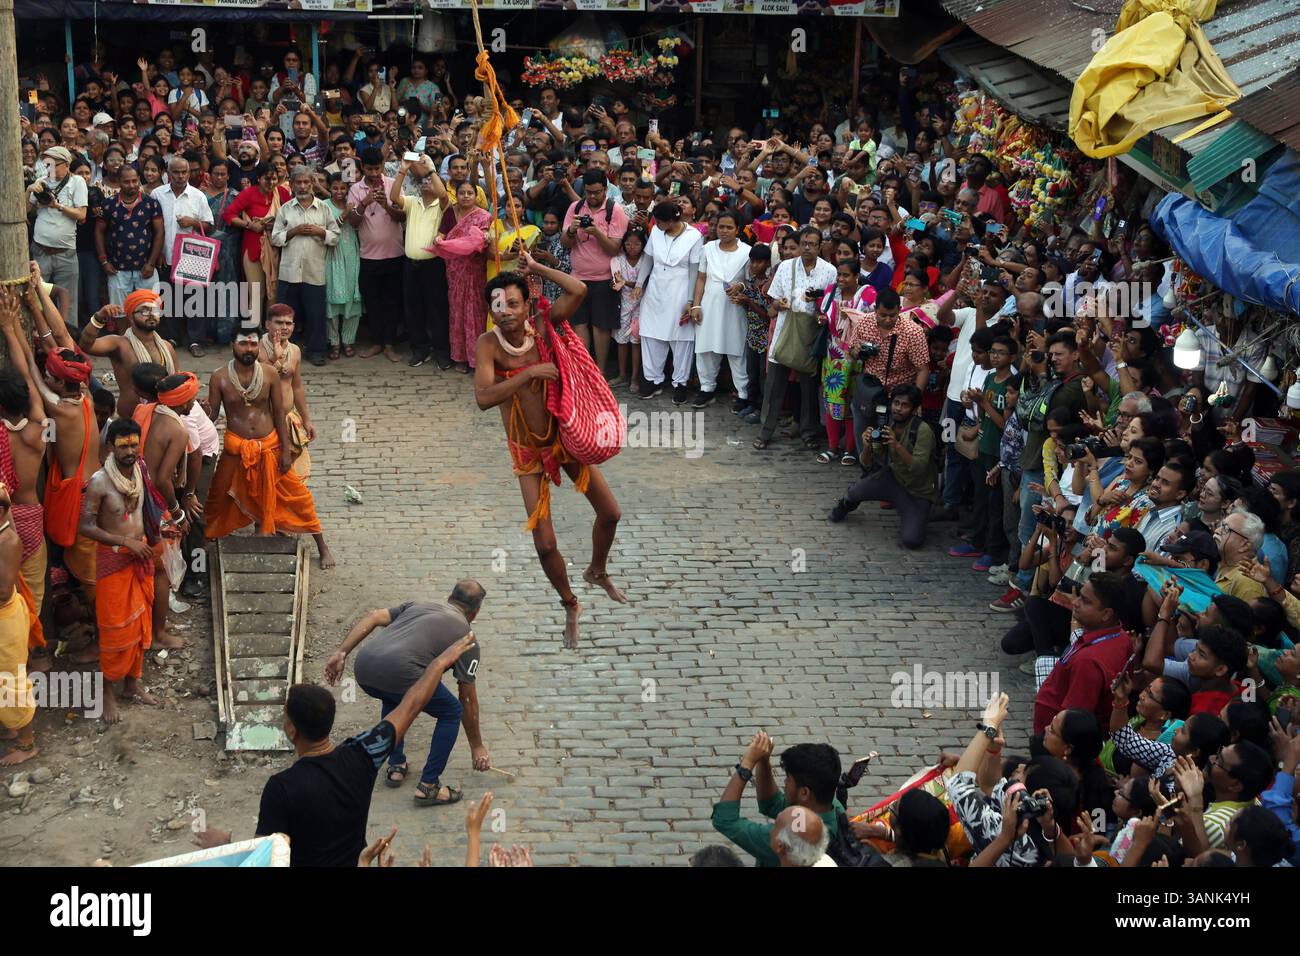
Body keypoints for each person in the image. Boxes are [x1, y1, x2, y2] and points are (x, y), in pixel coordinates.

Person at [198, 631, 476, 866]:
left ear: (291, 730)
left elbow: (267, 859)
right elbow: (411, 705)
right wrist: (438, 663)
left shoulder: (281, 788)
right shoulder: (363, 754)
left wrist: (226, 849)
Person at [474, 251, 626, 649]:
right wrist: (529, 373)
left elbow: (578, 290)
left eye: (512, 303)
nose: (504, 311)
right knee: (544, 543)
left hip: (564, 441)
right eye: (497, 305)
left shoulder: (544, 324)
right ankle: (570, 602)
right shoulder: (488, 344)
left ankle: (596, 570)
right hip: (526, 452)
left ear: (527, 304)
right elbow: (484, 398)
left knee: (610, 514)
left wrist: (537, 268)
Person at [324, 582, 491, 807]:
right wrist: (477, 746)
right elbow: (467, 698)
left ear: (449, 596)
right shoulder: (467, 638)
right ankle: (429, 785)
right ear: (476, 611)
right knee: (451, 711)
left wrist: (341, 652)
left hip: (364, 668)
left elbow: (373, 616)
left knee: (394, 695)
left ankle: (396, 765)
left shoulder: (419, 605)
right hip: (401, 673)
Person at [202, 331, 334, 569]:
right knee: (217, 497)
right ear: (233, 345)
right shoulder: (219, 377)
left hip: (269, 446)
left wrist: (285, 451)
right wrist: (201, 410)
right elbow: (212, 415)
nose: (249, 349)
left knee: (298, 497)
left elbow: (278, 413)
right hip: (236, 449)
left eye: (253, 344)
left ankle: (322, 548)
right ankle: (202, 546)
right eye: (243, 343)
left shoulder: (270, 374)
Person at [77, 419, 157, 724]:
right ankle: (108, 692)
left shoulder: (140, 469)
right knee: (113, 629)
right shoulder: (99, 482)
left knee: (138, 627)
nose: (130, 451)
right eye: (123, 446)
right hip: (113, 561)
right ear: (111, 446)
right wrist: (125, 542)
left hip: (140, 555)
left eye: (134, 444)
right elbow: (85, 526)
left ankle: (132, 686)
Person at [710, 731, 844, 868]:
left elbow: (724, 820)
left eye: (788, 779)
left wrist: (747, 764)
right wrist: (763, 760)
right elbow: (771, 804)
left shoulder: (788, 839)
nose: (784, 783)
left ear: (804, 793)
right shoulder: (832, 806)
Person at [755, 225, 837, 449]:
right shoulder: (785, 267)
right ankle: (765, 432)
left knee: (808, 388)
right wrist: (778, 304)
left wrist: (820, 310)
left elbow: (832, 303)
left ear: (820, 246)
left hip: (810, 333)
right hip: (785, 329)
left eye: (812, 244)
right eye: (804, 243)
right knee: (774, 387)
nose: (807, 248)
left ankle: (808, 432)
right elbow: (773, 301)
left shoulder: (829, 271)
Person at [828, 384, 937, 549]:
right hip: (894, 479)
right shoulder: (887, 426)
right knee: (857, 490)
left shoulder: (923, 430)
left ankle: (912, 512)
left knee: (912, 541)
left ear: (914, 409)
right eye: (896, 403)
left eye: (905, 405)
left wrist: (897, 445)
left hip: (918, 491)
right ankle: (846, 503)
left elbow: (919, 467)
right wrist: (866, 446)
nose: (898, 409)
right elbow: (868, 463)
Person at [1032, 571, 1136, 735]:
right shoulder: (1121, 636)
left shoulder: (1088, 661)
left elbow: (1072, 721)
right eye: (1080, 596)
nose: (1075, 603)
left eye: (1085, 601)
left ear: (1107, 614)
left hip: (1055, 737)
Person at [0, 291, 51, 620]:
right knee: (31, 591)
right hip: (31, 516)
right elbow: (30, 379)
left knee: (4, 590)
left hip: (3, 523)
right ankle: (35, 654)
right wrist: (11, 327)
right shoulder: (40, 431)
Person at [561, 168, 629, 379]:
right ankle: (584, 370)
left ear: (605, 189)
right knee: (579, 325)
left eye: (597, 192)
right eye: (588, 192)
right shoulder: (575, 207)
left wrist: (597, 232)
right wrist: (572, 230)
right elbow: (565, 243)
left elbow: (614, 249)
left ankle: (599, 371)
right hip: (578, 278)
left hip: (604, 278)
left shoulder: (615, 211)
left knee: (601, 327)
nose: (592, 196)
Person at [638, 200, 704, 405]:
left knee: (680, 338)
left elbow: (694, 269)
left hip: (680, 288)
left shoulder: (694, 236)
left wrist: (691, 300)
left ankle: (680, 383)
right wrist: (640, 283)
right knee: (651, 334)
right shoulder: (657, 232)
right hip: (656, 288)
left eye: (659, 221)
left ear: (671, 220)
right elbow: (648, 258)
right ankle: (653, 379)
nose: (655, 224)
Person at [271, 166, 338, 367]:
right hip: (289, 272)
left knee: (315, 314)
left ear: (312, 185)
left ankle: (316, 351)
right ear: (291, 185)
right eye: (298, 182)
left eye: (306, 182)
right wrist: (294, 231)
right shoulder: (285, 209)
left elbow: (335, 237)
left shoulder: (324, 208)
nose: (302, 186)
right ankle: (281, 351)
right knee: (284, 315)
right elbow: (275, 238)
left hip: (314, 271)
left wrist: (319, 232)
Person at [390, 155, 450, 369]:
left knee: (437, 310)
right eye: (423, 180)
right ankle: (420, 350)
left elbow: (443, 194)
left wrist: (431, 170)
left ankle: (442, 352)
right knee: (413, 309)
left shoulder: (442, 205)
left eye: (430, 181)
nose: (426, 183)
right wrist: (403, 169)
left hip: (433, 265)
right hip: (410, 264)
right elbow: (394, 196)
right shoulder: (413, 202)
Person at [79, 289, 178, 417]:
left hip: (165, 414)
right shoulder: (119, 344)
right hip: (132, 416)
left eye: (155, 310)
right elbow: (86, 345)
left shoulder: (167, 346)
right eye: (144, 310)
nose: (151, 314)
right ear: (131, 316)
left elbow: (176, 382)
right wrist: (99, 317)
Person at [688, 211, 751, 409]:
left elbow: (750, 280)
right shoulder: (708, 248)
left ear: (737, 229)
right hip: (709, 304)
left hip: (734, 307)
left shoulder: (747, 252)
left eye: (729, 227)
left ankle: (743, 392)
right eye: (721, 227)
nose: (724, 231)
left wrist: (740, 287)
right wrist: (696, 304)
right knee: (706, 348)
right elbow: (701, 278)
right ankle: (706, 388)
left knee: (736, 349)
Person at [152, 155, 213, 352]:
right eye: (175, 172)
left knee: (195, 299)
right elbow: (151, 227)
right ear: (168, 174)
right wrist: (157, 251)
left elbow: (209, 225)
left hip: (192, 257)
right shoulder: (157, 194)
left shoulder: (198, 196)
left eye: (183, 172)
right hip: (166, 254)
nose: (180, 176)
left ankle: (196, 340)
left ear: (189, 173)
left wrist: (192, 222)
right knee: (170, 298)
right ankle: (172, 338)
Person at [816, 261, 874, 465]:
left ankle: (850, 449)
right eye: (839, 275)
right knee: (832, 402)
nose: (841, 279)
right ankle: (832, 447)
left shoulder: (868, 295)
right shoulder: (832, 291)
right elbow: (823, 313)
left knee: (853, 403)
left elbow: (870, 321)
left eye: (846, 275)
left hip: (858, 358)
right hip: (834, 355)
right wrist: (823, 320)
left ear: (856, 276)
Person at [430, 181, 491, 372]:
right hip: (455, 269)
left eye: (470, 193)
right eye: (462, 193)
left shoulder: (483, 216)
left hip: (475, 269)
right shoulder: (450, 212)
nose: (465, 196)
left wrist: (485, 238)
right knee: (457, 312)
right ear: (456, 195)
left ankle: (477, 359)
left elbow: (486, 238)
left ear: (476, 195)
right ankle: (461, 358)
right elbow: (441, 235)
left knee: (476, 311)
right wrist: (438, 240)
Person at [28, 146, 88, 327]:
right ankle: (41, 340)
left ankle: (69, 343)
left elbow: (82, 215)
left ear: (66, 164)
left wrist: (58, 206)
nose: (49, 170)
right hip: (41, 250)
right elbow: (25, 211)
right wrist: (29, 190)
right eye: (46, 165)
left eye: (53, 165)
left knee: (68, 302)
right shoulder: (41, 181)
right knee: (38, 298)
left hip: (66, 252)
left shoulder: (77, 182)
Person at [0, 482, 38, 765]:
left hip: (6, 620)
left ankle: (27, 743)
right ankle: (12, 727)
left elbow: (2, 590)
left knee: (10, 680)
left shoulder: (8, 542)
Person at [258, 304, 315, 480]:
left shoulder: (295, 351)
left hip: (289, 417)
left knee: (293, 474)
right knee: (268, 471)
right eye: (279, 322)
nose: (284, 327)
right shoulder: (257, 348)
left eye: (288, 323)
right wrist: (275, 356)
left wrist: (306, 419)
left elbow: (296, 387)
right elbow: (259, 378)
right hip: (265, 421)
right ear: (267, 324)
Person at [95, 164, 164, 307]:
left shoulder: (151, 204)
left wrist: (151, 263)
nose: (131, 185)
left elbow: (159, 233)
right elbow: (99, 231)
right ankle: (122, 332)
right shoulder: (108, 204)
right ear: (119, 182)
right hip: (117, 269)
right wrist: (104, 261)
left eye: (134, 181)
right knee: (119, 312)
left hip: (146, 268)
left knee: (150, 311)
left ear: (139, 179)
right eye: (126, 181)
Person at [609, 228, 649, 391]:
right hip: (623, 306)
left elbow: (644, 283)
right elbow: (616, 282)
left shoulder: (647, 260)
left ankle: (634, 377)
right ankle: (622, 375)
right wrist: (621, 283)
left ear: (643, 245)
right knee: (621, 341)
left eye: (637, 244)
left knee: (636, 341)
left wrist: (625, 282)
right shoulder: (617, 260)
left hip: (642, 305)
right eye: (628, 244)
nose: (632, 247)